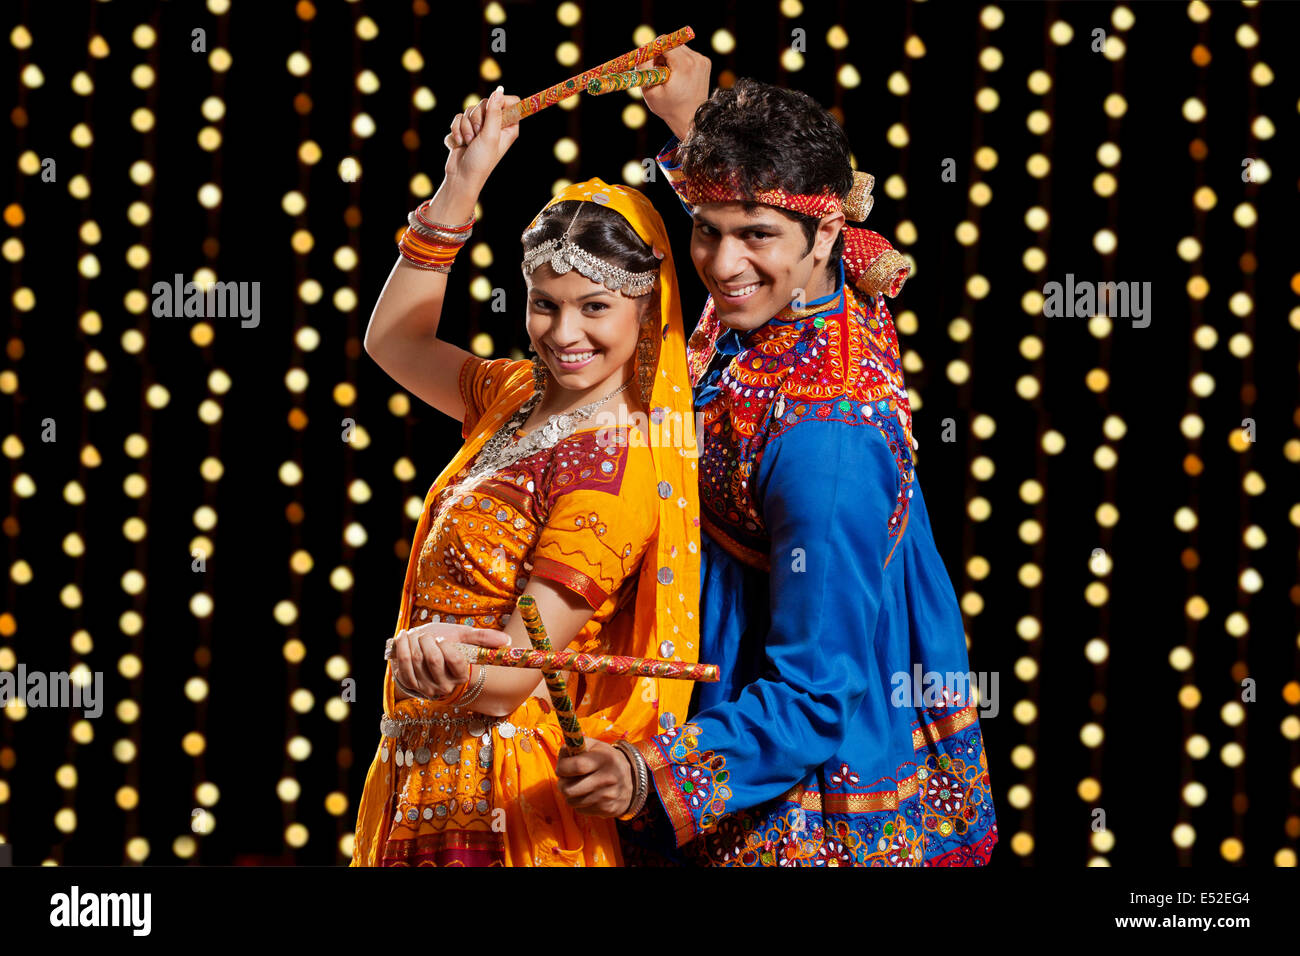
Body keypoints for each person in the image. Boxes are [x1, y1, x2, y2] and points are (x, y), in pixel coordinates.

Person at [555, 51, 1000, 866]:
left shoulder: (828, 439)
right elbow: (747, 195)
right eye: (707, 231)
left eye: (755, 237)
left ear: (826, 230)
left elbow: (817, 694)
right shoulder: (798, 285)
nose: (724, 269)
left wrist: (646, 772)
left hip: (803, 779)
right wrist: (690, 114)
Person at [349, 85, 701, 866]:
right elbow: (395, 344)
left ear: (648, 310)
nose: (563, 333)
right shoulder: (514, 396)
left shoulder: (621, 461)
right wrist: (460, 185)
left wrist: (433, 654)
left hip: (510, 801)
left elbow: (512, 675)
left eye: (595, 308)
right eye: (545, 305)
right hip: (422, 776)